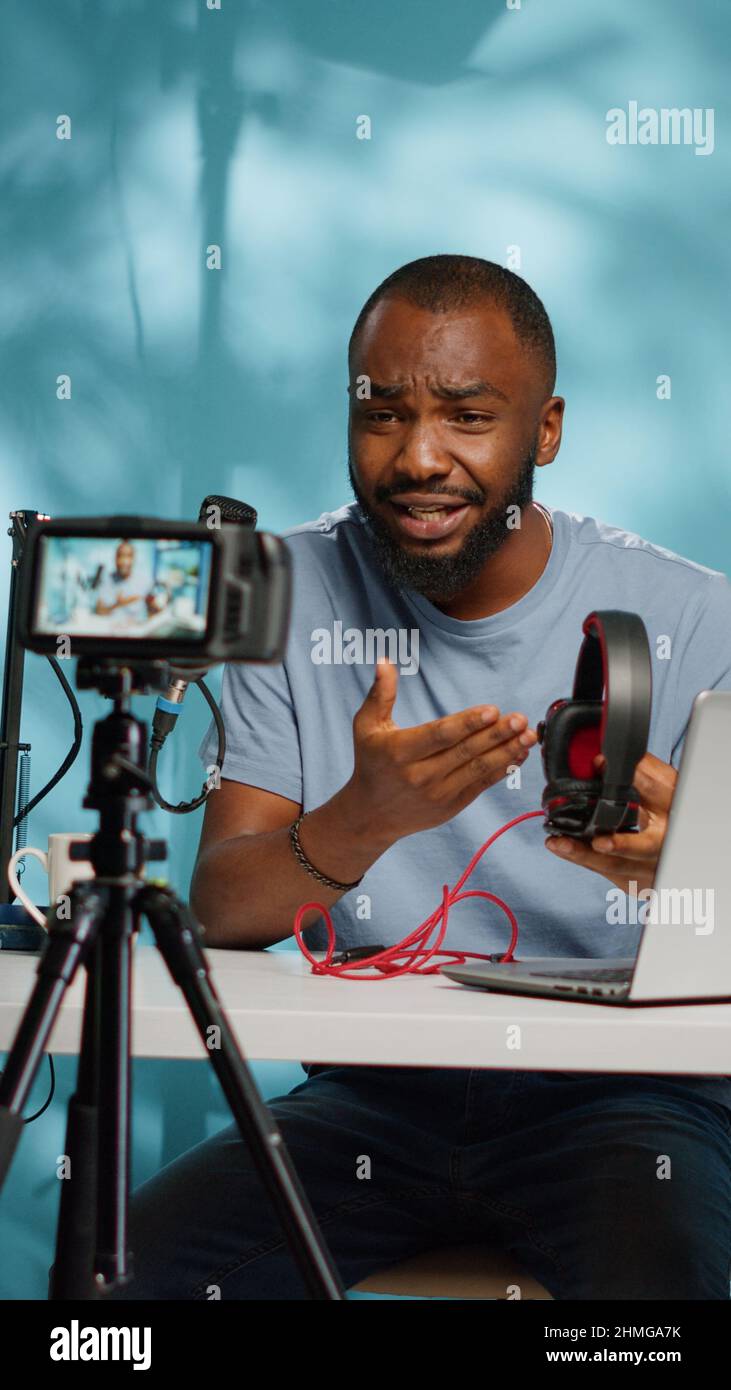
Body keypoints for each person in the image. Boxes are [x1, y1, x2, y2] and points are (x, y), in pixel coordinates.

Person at [113, 255, 731, 1300]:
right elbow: (223, 907)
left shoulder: (688, 617)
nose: (417, 457)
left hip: (632, 1103)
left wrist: (685, 877)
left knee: (658, 1290)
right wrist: (365, 820)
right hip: (374, 1102)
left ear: (544, 431)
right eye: (381, 413)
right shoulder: (286, 588)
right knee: (128, 1282)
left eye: (466, 416)